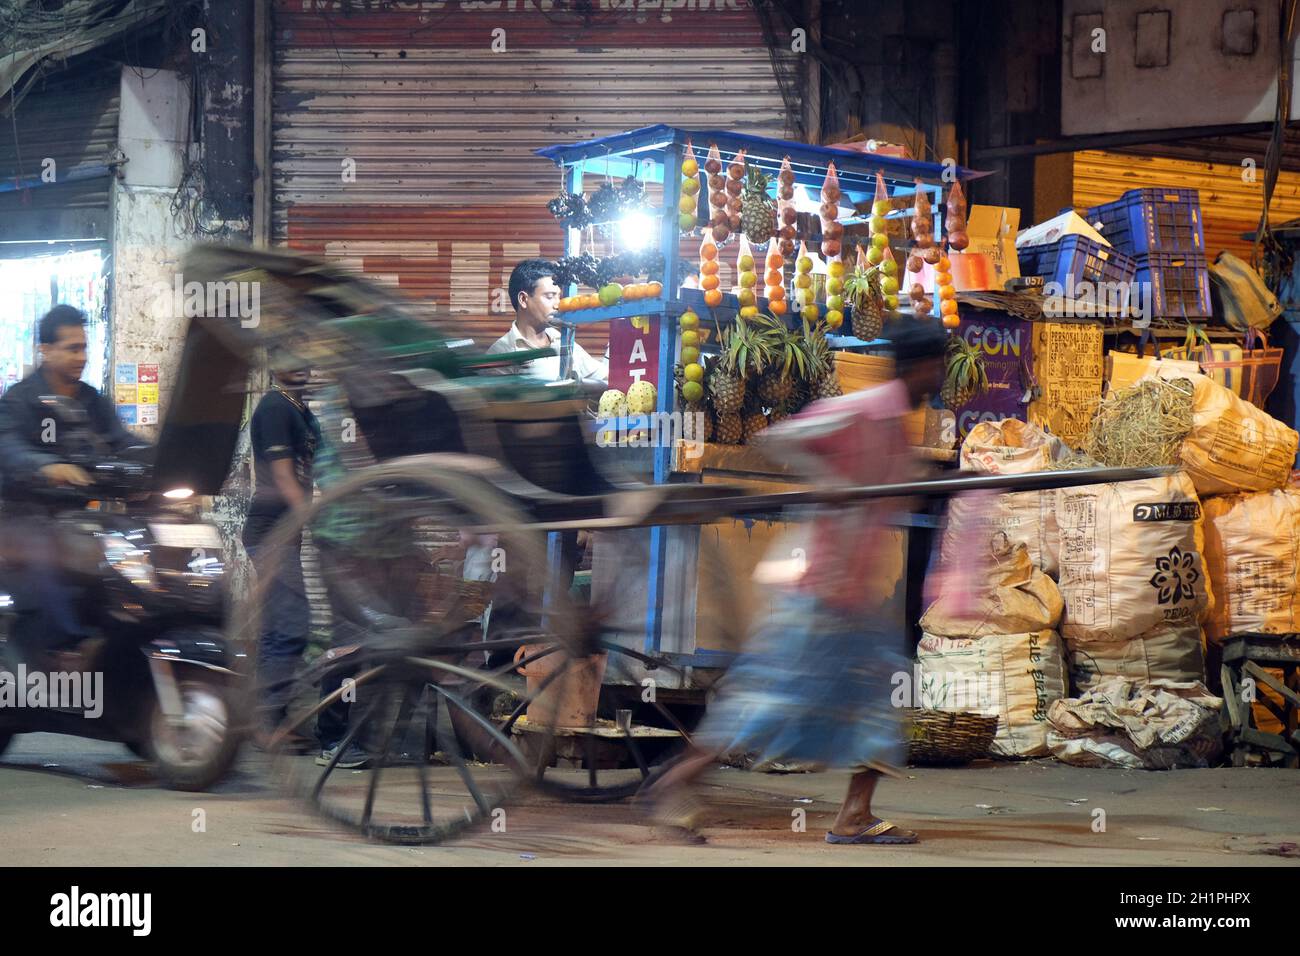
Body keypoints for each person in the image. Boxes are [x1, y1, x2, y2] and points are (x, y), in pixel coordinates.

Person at [641, 318, 952, 847]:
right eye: (938, 363)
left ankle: (855, 815)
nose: (941, 373)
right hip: (818, 587)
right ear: (922, 366)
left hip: (854, 592)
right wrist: (830, 484)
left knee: (877, 698)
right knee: (767, 702)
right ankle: (676, 785)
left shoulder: (896, 423)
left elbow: (892, 492)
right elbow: (779, 437)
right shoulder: (864, 409)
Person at [0, 305, 138, 654]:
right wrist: (46, 466)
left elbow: (124, 442)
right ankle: (53, 664)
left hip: (85, 520)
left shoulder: (93, 401)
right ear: (45, 350)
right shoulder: (19, 401)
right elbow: (9, 447)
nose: (82, 357)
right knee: (48, 585)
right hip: (26, 522)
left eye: (84, 347)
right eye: (72, 348)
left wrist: (162, 462)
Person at [243, 348, 321, 749]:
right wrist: (315, 517)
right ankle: (268, 723)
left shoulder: (300, 408)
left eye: (305, 354)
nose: (302, 363)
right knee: (291, 622)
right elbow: (285, 478)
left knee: (278, 624)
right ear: (274, 364)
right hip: (269, 532)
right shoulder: (274, 408)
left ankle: (264, 719)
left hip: (284, 533)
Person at [487, 259, 608, 385]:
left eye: (558, 297)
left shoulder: (562, 339)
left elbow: (603, 376)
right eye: (550, 297)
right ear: (523, 299)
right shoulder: (502, 352)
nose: (558, 304)